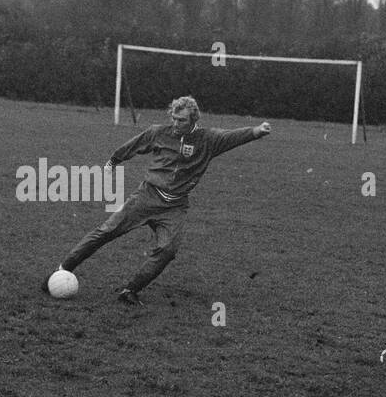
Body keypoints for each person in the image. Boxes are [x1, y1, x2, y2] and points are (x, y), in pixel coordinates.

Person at [45, 96, 270, 305]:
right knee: (106, 231)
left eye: (181, 119)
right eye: (173, 117)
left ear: (194, 119)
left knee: (167, 251)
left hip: (175, 206)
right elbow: (133, 145)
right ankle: (62, 269)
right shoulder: (158, 132)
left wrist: (256, 131)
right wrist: (113, 161)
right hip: (147, 197)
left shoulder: (208, 139)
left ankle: (130, 291)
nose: (175, 123)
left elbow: (232, 136)